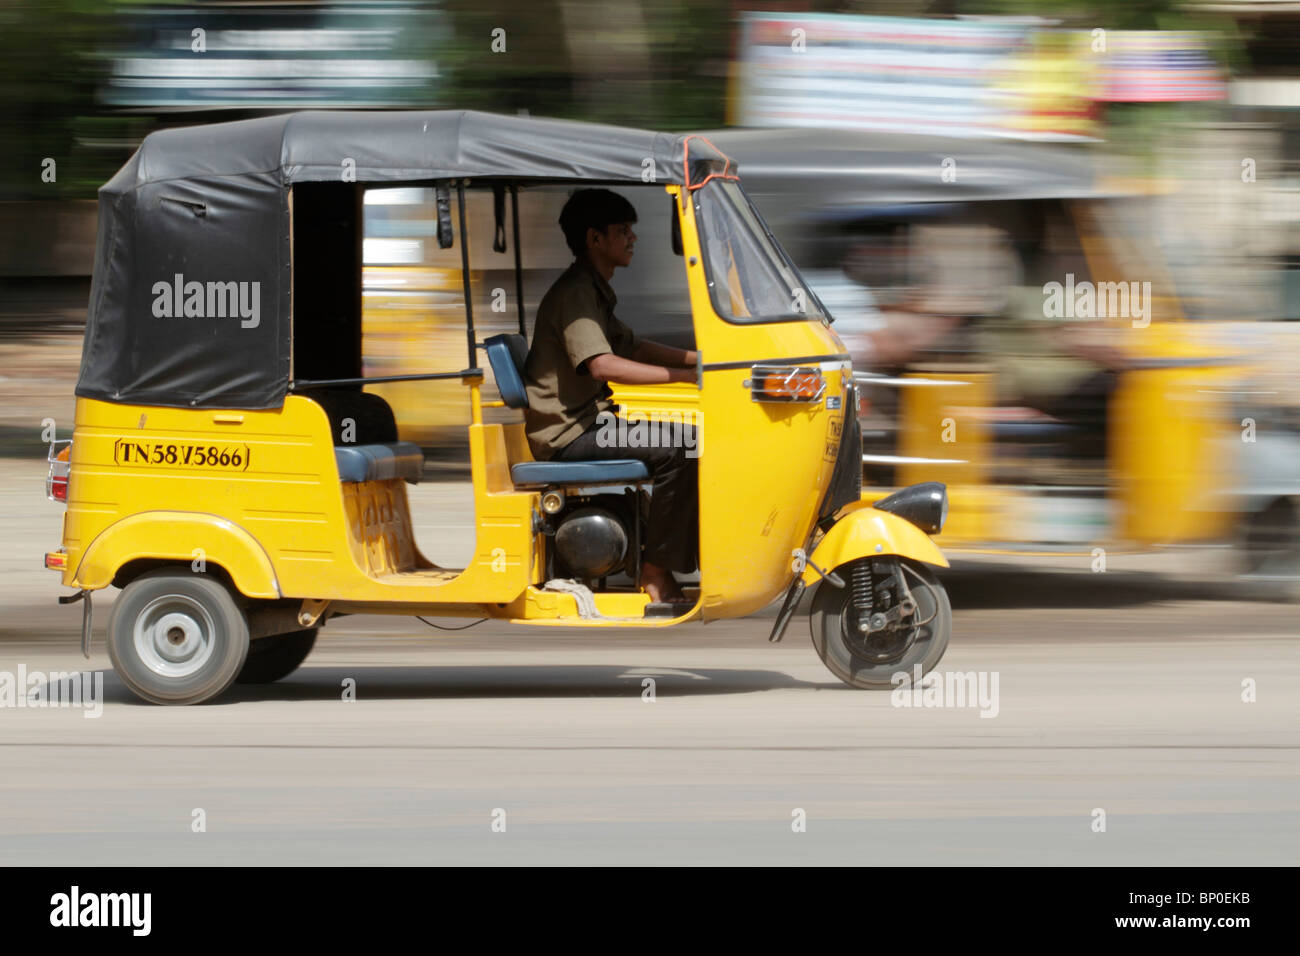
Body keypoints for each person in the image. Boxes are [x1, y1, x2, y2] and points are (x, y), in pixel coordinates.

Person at [523, 189, 699, 605]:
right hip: (569, 436)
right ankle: (655, 574)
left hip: (589, 423)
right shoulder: (576, 294)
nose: (632, 238)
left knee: (689, 439)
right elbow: (603, 365)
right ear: (594, 238)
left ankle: (663, 558)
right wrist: (686, 376)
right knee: (681, 447)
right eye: (623, 231)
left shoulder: (593, 289)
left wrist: (706, 359)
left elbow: (633, 347)